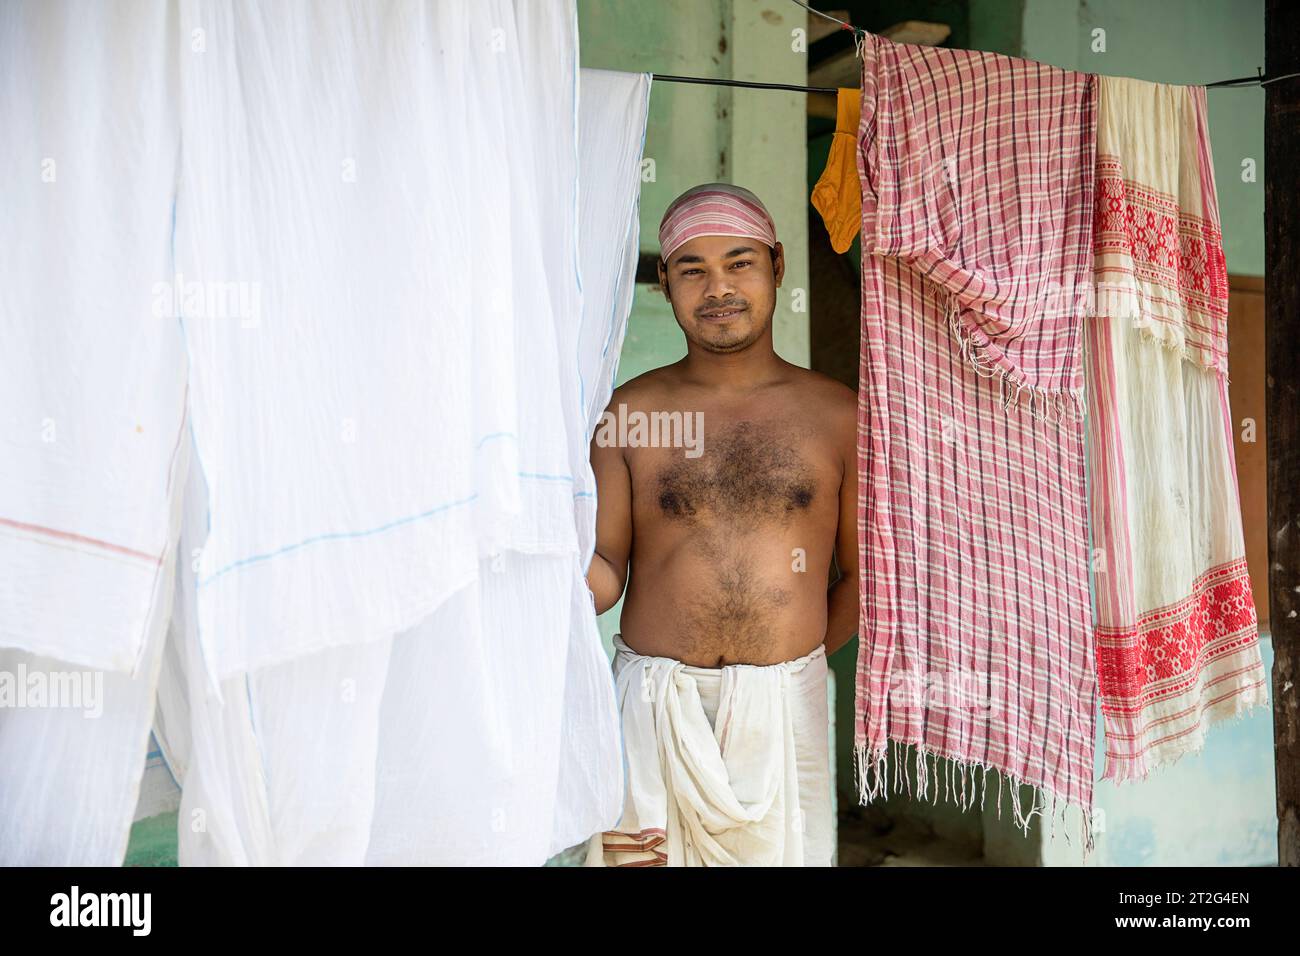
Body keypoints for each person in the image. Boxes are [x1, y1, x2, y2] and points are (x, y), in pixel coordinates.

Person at [583, 183, 858, 867]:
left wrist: (795, 658)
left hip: (784, 711)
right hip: (653, 710)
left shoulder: (838, 417)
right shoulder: (630, 412)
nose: (718, 288)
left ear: (777, 266)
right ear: (664, 282)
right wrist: (540, 574)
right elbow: (606, 567)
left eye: (739, 263)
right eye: (692, 269)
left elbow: (864, 576)